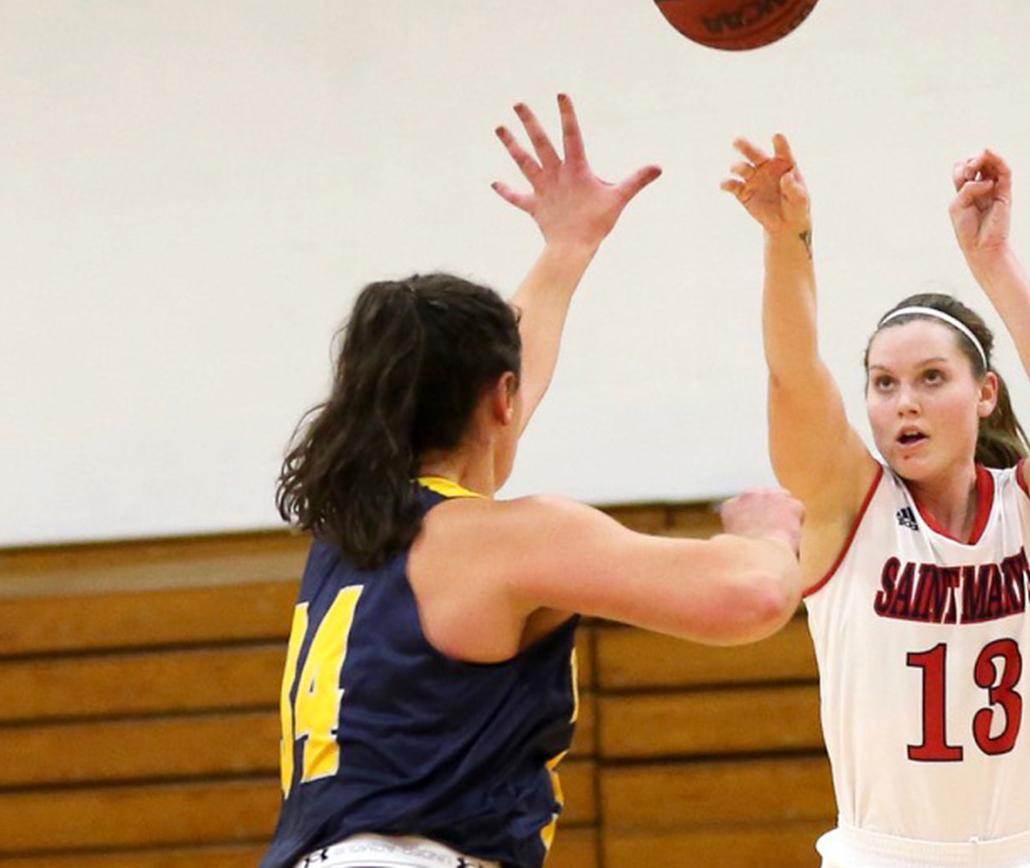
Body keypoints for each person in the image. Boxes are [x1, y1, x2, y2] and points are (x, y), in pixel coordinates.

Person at [259, 96, 805, 868]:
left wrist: (569, 246)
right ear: (499, 397)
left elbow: (512, 375)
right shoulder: (504, 540)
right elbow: (749, 598)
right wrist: (767, 534)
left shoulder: (352, 530)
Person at [722, 135, 1030, 868]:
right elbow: (794, 378)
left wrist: (993, 260)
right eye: (884, 383)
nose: (904, 402)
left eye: (932, 378)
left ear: (985, 392)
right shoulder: (848, 506)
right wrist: (787, 240)